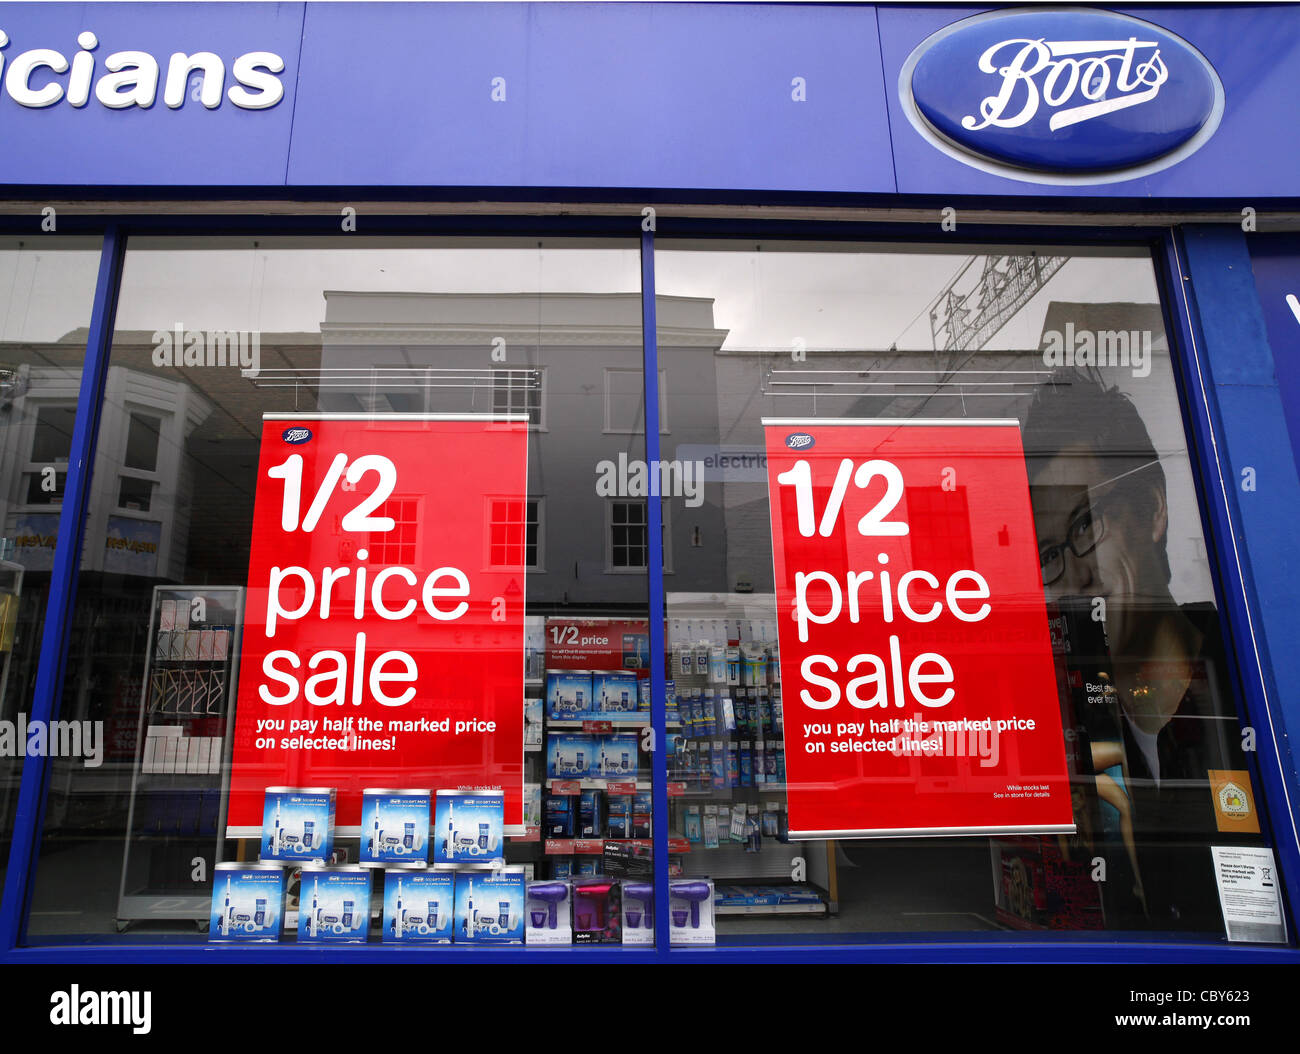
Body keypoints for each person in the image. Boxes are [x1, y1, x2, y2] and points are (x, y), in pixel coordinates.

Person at [1023, 367, 1247, 932]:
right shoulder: (1087, 715)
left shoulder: (1249, 683)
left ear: (1152, 510)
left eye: (1087, 525)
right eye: (1050, 553)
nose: (1076, 576)